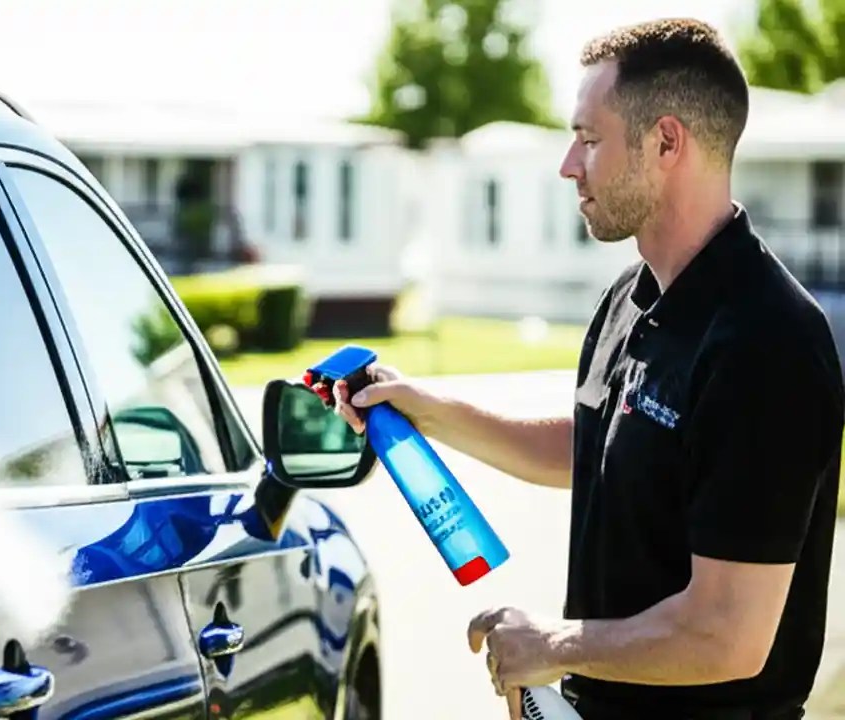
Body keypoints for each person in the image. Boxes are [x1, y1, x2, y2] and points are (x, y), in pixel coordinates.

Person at [334, 17, 845, 720]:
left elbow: (728, 636)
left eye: (589, 139)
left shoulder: (768, 341)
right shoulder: (627, 301)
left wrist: (555, 643)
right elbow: (594, 447)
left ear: (667, 141)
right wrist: (425, 407)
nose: (569, 165)